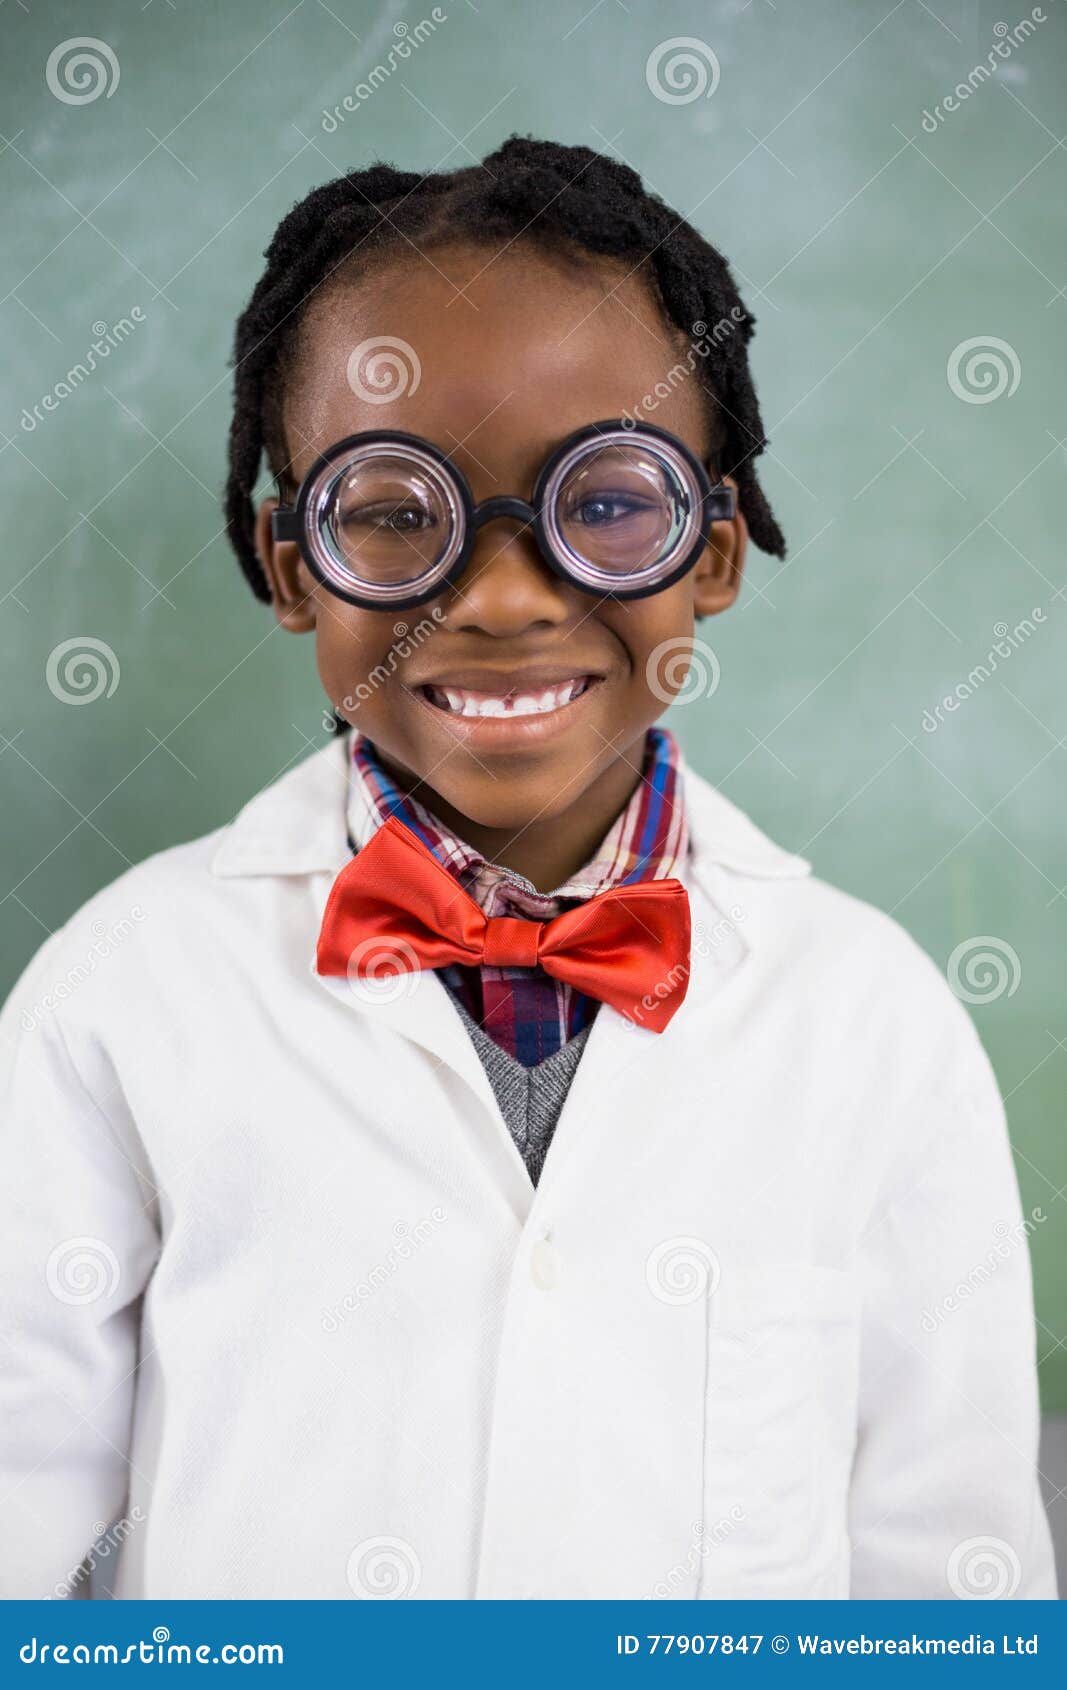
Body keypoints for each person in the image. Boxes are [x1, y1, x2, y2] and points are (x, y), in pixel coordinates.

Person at [0, 138, 1054, 1600]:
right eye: (391, 510)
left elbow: (954, 1573)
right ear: (292, 560)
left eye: (609, 504)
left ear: (719, 547)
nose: (499, 595)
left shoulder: (873, 1018)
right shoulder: (122, 993)